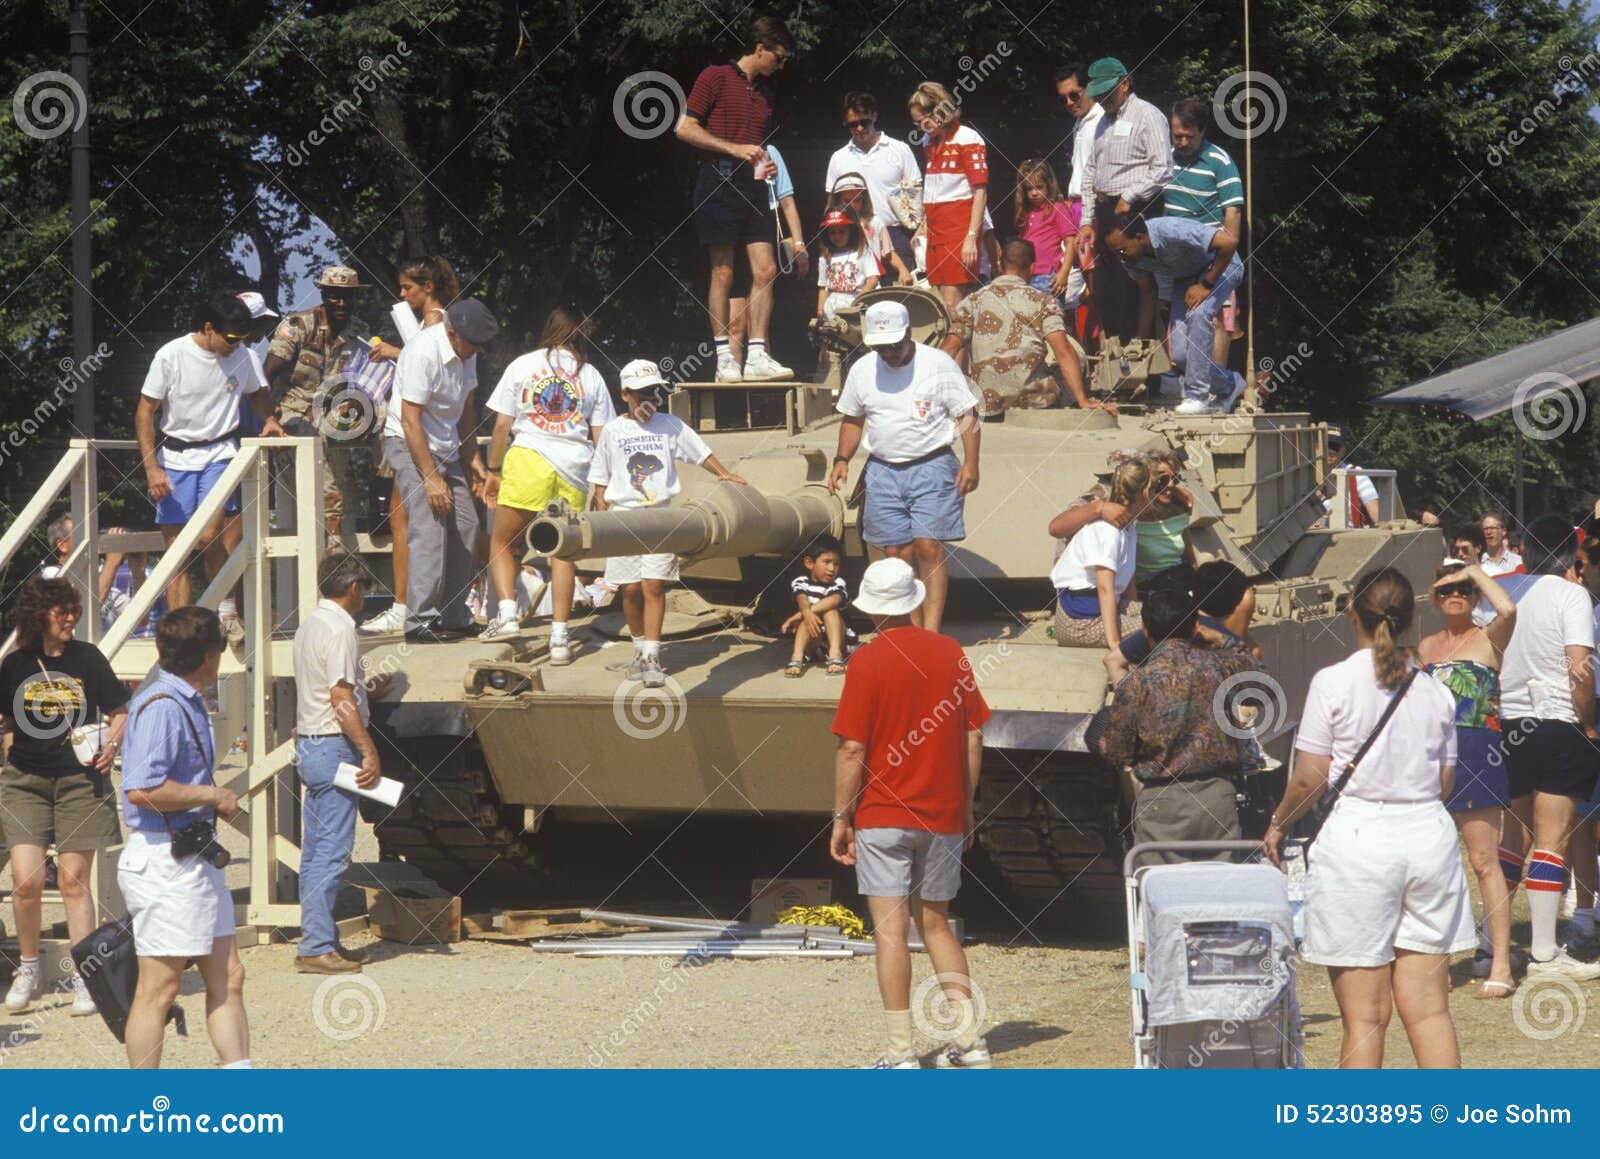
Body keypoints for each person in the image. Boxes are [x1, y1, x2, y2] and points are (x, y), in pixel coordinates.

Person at [1262, 568, 1472, 1068]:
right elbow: (1445, 785)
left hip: (1358, 842)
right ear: (1409, 619)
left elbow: (1311, 776)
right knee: (1430, 1014)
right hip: (1427, 838)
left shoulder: (1332, 682)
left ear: (1351, 612)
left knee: (1364, 1020)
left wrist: (1278, 823)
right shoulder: (1436, 691)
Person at [829, 557, 992, 1069]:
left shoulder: (867, 662)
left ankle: (901, 1054)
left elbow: (852, 749)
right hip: (942, 811)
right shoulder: (950, 653)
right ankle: (970, 1043)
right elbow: (973, 733)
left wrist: (840, 817)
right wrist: (966, 807)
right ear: (915, 599)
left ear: (873, 610)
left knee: (891, 932)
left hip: (881, 813)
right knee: (938, 926)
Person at [118, 607, 250, 1069]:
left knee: (230, 975)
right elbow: (140, 787)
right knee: (159, 988)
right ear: (211, 656)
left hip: (191, 859)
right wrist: (210, 793)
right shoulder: (163, 706)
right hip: (164, 860)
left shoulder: (182, 698)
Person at [0, 577, 130, 1016]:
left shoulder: (88, 659)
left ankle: (85, 977)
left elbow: (120, 709)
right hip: (25, 781)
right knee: (25, 881)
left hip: (79, 782)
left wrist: (112, 746)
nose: (71, 617)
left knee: (74, 881)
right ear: (40, 616)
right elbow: (5, 718)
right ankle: (30, 967)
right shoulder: (15, 664)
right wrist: (6, 743)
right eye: (62, 611)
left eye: (73, 609)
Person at [588, 360, 748, 687]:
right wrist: (600, 500)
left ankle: (651, 655)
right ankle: (637, 649)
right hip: (624, 516)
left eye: (653, 393)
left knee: (654, 585)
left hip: (661, 515)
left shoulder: (670, 425)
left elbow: (699, 452)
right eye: (641, 394)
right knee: (630, 590)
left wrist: (724, 473)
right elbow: (601, 472)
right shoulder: (613, 431)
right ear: (625, 395)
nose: (648, 400)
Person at [829, 300, 979, 635]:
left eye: (894, 346)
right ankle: (908, 633)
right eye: (881, 348)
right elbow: (853, 419)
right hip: (882, 469)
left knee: (929, 546)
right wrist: (842, 459)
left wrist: (971, 463)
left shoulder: (938, 364)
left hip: (932, 464)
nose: (889, 354)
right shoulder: (863, 369)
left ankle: (931, 633)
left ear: (909, 334)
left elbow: (967, 415)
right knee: (896, 552)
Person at [1494, 513, 1600, 981]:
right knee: (1552, 841)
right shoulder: (1572, 595)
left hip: (1512, 721)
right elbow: (1579, 669)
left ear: (1523, 548)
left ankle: (1491, 943)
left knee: (1513, 841)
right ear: (1570, 553)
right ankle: (1542, 952)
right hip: (1559, 721)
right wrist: (1588, 721)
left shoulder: (1507, 592)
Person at [136, 293, 285, 619]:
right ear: (208, 328)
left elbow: (258, 393)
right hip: (175, 457)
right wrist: (152, 468)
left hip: (219, 452)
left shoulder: (243, 356)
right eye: (231, 337)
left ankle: (223, 608)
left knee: (207, 535)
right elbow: (146, 411)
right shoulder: (171, 355)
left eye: (242, 338)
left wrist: (270, 419)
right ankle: (183, 628)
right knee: (176, 551)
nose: (237, 344)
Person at [1091, 586, 1262, 863]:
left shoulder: (1137, 683)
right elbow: (1259, 685)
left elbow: (1116, 752)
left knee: (1163, 894)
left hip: (1163, 805)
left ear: (1146, 631)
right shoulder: (1221, 667)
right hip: (1217, 799)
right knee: (1219, 898)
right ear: (1196, 626)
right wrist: (1226, 640)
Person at [480, 306, 615, 650]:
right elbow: (601, 436)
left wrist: (493, 471)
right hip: (575, 467)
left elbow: (501, 426)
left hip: (529, 460)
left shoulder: (523, 365)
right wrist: (602, 486)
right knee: (563, 552)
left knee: (503, 542)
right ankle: (559, 636)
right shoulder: (593, 376)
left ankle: (508, 616)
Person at [674, 14, 796, 384]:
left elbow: (755, 145)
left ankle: (758, 354)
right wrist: (733, 149)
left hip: (755, 184)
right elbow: (684, 128)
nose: (781, 64)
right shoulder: (714, 76)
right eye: (779, 57)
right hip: (717, 179)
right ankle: (724, 357)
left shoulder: (765, 93)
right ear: (760, 49)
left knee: (767, 270)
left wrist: (766, 162)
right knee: (723, 272)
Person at [1416, 559, 1519, 997]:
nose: (1454, 595)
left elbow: (1509, 611)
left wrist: (1472, 570)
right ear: (1434, 598)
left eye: (1462, 589)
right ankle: (1429, 958)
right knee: (1429, 865)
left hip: (1477, 751)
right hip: (1431, 757)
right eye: (1445, 590)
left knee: (1483, 861)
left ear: (1474, 593)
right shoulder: (1426, 646)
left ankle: (1500, 961)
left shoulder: (1488, 637)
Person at [381, 298, 498, 641]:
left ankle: (454, 615)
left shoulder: (468, 353)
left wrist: (472, 457)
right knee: (430, 524)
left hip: (445, 447)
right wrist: (431, 479)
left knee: (467, 523)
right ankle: (420, 622)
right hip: (408, 442)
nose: (478, 350)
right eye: (473, 343)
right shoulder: (422, 353)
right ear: (451, 333)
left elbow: (466, 409)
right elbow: (410, 420)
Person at [292, 554, 387, 975]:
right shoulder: (343, 628)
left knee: (316, 852)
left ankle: (319, 938)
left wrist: (365, 696)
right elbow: (340, 699)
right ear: (354, 589)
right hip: (334, 745)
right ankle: (315, 945)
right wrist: (369, 750)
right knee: (331, 853)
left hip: (312, 743)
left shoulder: (311, 623)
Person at [362, 256, 461, 636]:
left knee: (418, 521)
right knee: (406, 517)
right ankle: (409, 604)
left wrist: (394, 352)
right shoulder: (424, 323)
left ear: (429, 287)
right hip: (415, 432)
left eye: (408, 288)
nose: (402, 295)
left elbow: (429, 369)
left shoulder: (437, 322)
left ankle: (411, 608)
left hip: (421, 433)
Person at [263, 266, 389, 539]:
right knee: (328, 483)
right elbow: (269, 372)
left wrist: (358, 404)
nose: (341, 303)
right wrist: (268, 416)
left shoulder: (360, 331)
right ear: (323, 294)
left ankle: (382, 494)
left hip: (336, 408)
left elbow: (367, 380)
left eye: (347, 296)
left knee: (384, 412)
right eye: (334, 296)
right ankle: (332, 543)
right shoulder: (298, 325)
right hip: (295, 411)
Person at [1103, 211, 1245, 415]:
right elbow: (1148, 293)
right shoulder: (1130, 260)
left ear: (1140, 238)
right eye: (1115, 252)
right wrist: (1139, 340)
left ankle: (1197, 396)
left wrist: (1206, 285)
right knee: (1180, 355)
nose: (1120, 256)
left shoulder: (1170, 230)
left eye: (1122, 250)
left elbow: (1229, 242)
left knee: (1199, 313)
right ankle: (1230, 385)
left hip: (1221, 267)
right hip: (1185, 280)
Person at [940, 239, 1100, 416]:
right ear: (1032, 268)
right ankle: (1079, 400)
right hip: (1033, 401)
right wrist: (1083, 400)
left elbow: (949, 348)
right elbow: (1063, 351)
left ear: (1000, 265)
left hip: (987, 403)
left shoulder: (973, 301)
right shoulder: (1043, 301)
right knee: (1075, 353)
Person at [1075, 58, 1172, 339]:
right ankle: (1117, 361)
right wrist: (1085, 220)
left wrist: (1130, 196)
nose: (1103, 100)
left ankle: (1143, 363)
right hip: (1106, 213)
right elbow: (1091, 170)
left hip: (1136, 212)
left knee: (1138, 287)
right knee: (1111, 288)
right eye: (1099, 94)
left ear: (1125, 84)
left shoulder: (1148, 115)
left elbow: (1163, 167)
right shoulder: (1102, 123)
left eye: (1108, 92)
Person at [1164, 98, 1245, 371]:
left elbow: (1233, 216)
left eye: (1190, 137)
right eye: (1177, 136)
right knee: (1181, 353)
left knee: (1213, 317)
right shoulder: (1163, 158)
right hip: (1179, 261)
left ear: (1202, 131)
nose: (1183, 142)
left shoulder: (1220, 162)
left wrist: (1213, 276)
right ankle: (1212, 384)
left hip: (1214, 257)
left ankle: (1216, 385)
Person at [1049, 457, 1158, 648]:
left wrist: (1132, 611)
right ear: (1146, 492)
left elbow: (1127, 580)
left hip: (1103, 606)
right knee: (1164, 631)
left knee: (1174, 618)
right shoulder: (1107, 529)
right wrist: (1116, 646)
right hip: (1082, 620)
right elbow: (1104, 587)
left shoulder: (1128, 525)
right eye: (1157, 486)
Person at [1106, 558, 1258, 684]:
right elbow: (1256, 687)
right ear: (1235, 603)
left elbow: (1112, 661)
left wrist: (1130, 701)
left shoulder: (1169, 622)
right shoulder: (1228, 643)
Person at [727, 144, 811, 369]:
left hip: (763, 234)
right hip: (732, 236)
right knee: (734, 324)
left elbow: (787, 200)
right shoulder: (723, 151)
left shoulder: (770, 151)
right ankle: (731, 388)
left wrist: (799, 245)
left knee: (760, 327)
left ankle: (762, 390)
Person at [909, 82, 988, 311]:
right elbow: (935, 187)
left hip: (958, 227)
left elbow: (980, 191)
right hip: (935, 229)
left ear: (939, 112)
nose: (920, 127)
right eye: (916, 123)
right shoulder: (928, 142)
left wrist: (972, 236)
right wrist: (924, 224)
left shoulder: (968, 138)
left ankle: (956, 348)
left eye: (922, 121)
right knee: (940, 303)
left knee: (953, 303)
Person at [824, 91, 922, 273]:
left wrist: (919, 231)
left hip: (896, 234)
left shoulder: (900, 149)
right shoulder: (838, 158)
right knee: (861, 298)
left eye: (864, 122)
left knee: (900, 296)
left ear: (874, 117)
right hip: (854, 236)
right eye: (853, 124)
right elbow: (832, 204)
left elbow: (917, 196)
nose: (859, 128)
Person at [1054, 63, 1103, 334]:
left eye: (1075, 94)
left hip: (1090, 208)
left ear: (1089, 89)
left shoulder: (1102, 119)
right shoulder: (1079, 123)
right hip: (1073, 207)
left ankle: (1105, 342)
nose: (1070, 102)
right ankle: (1083, 344)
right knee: (1076, 280)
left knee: (1095, 279)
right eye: (1064, 99)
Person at [1012, 159, 1080, 310]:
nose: (1034, 193)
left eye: (1039, 187)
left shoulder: (1057, 208)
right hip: (1026, 277)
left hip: (1048, 278)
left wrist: (1064, 273)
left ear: (1049, 184)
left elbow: (1071, 243)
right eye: (1029, 189)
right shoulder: (1026, 213)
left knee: (1050, 323)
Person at [826, 172, 914, 286]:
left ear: (864, 199)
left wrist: (902, 269)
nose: (852, 205)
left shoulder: (875, 222)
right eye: (847, 201)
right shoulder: (832, 224)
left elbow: (888, 252)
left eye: (857, 200)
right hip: (842, 284)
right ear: (837, 200)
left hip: (871, 284)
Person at [783, 534, 852, 677]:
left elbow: (834, 599)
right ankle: (798, 657)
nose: (832, 568)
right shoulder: (801, 581)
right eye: (826, 562)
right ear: (809, 563)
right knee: (808, 617)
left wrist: (801, 614)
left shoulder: (838, 583)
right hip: (813, 642)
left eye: (836, 563)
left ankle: (835, 655)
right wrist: (806, 613)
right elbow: (801, 598)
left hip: (837, 640)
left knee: (830, 611)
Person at [815, 208, 881, 323]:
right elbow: (823, 287)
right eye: (832, 232)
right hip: (831, 305)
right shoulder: (825, 257)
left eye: (842, 231)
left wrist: (857, 301)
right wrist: (820, 310)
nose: (837, 236)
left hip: (856, 302)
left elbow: (873, 279)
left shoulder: (862, 252)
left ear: (851, 230)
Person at [1480, 512, 1524, 576]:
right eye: (1485, 529)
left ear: (1503, 531)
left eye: (1493, 528)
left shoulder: (1518, 562)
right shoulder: (1478, 563)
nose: (1489, 532)